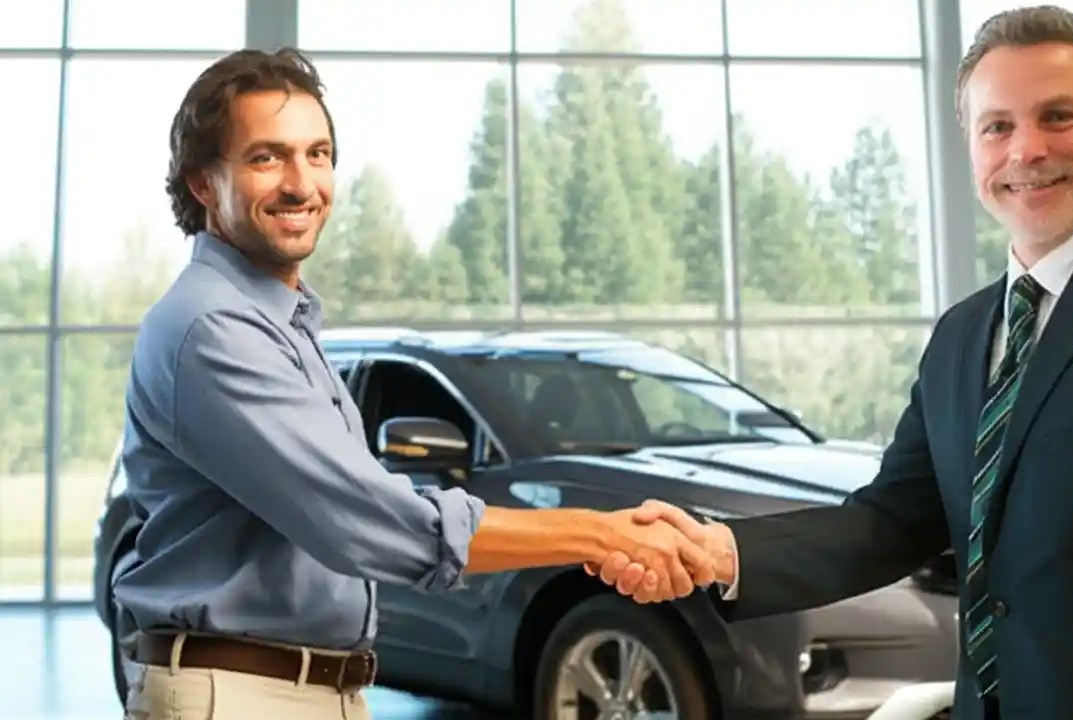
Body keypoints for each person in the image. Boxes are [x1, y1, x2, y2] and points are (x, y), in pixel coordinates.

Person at [594, 5, 1073, 719]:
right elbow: (891, 522)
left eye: (1058, 117)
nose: (1026, 150)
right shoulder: (961, 337)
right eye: (998, 126)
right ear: (972, 147)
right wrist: (721, 551)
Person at [115, 48, 713, 719]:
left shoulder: (281, 322)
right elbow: (365, 522)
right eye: (266, 157)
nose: (301, 183)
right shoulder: (212, 329)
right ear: (202, 183)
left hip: (305, 688)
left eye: (318, 154)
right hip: (240, 695)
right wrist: (604, 536)